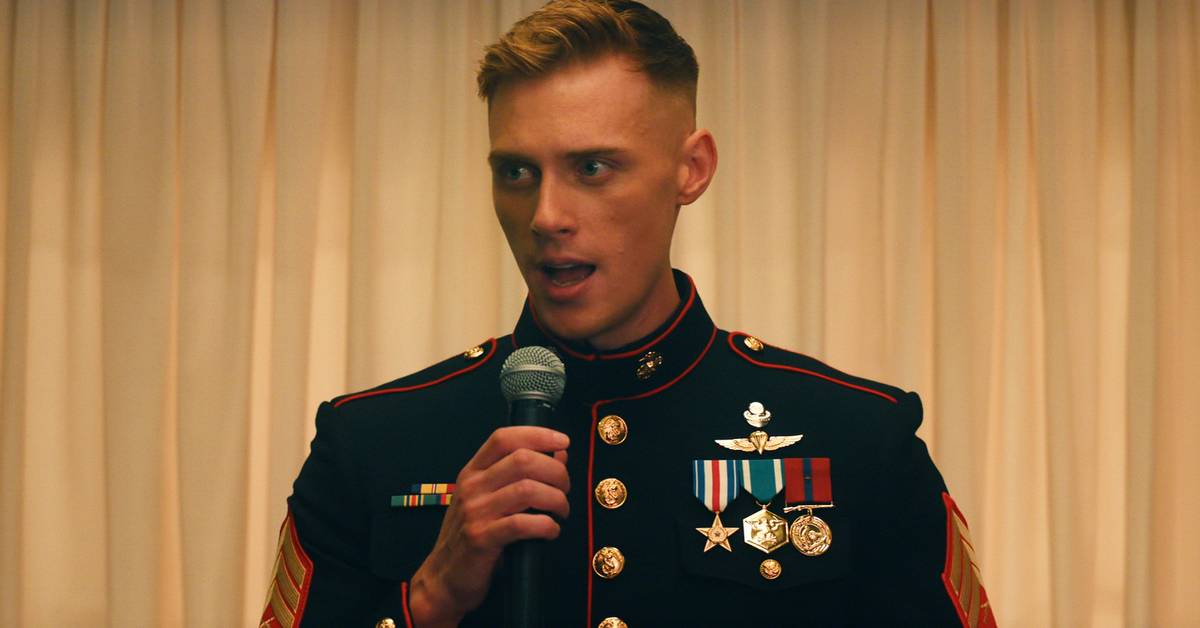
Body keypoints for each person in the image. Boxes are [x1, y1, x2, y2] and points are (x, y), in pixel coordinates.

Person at [259, 1, 997, 627]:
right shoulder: (370, 442)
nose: (546, 215)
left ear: (691, 170)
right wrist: (429, 597)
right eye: (516, 172)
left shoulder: (859, 437)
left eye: (592, 168)